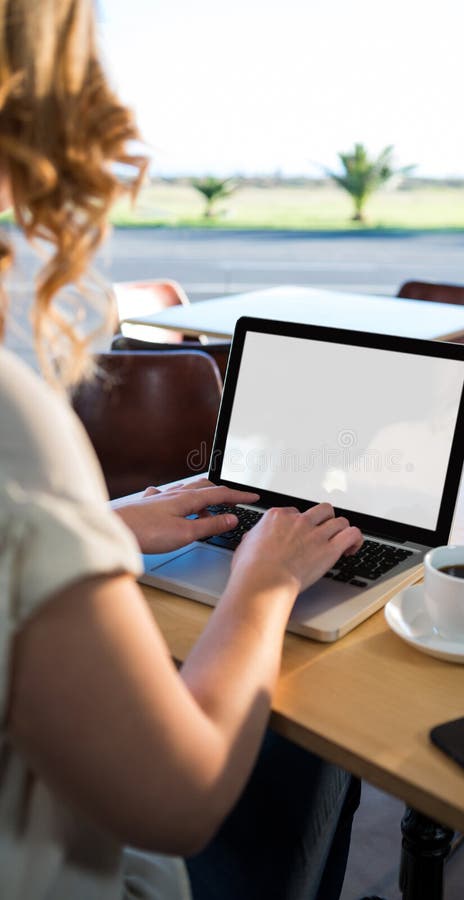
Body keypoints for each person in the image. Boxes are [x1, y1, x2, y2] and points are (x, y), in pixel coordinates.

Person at [0, 2, 363, 898]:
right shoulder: (16, 426)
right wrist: (267, 579)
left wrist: (100, 529)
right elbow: (181, 801)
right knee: (313, 741)